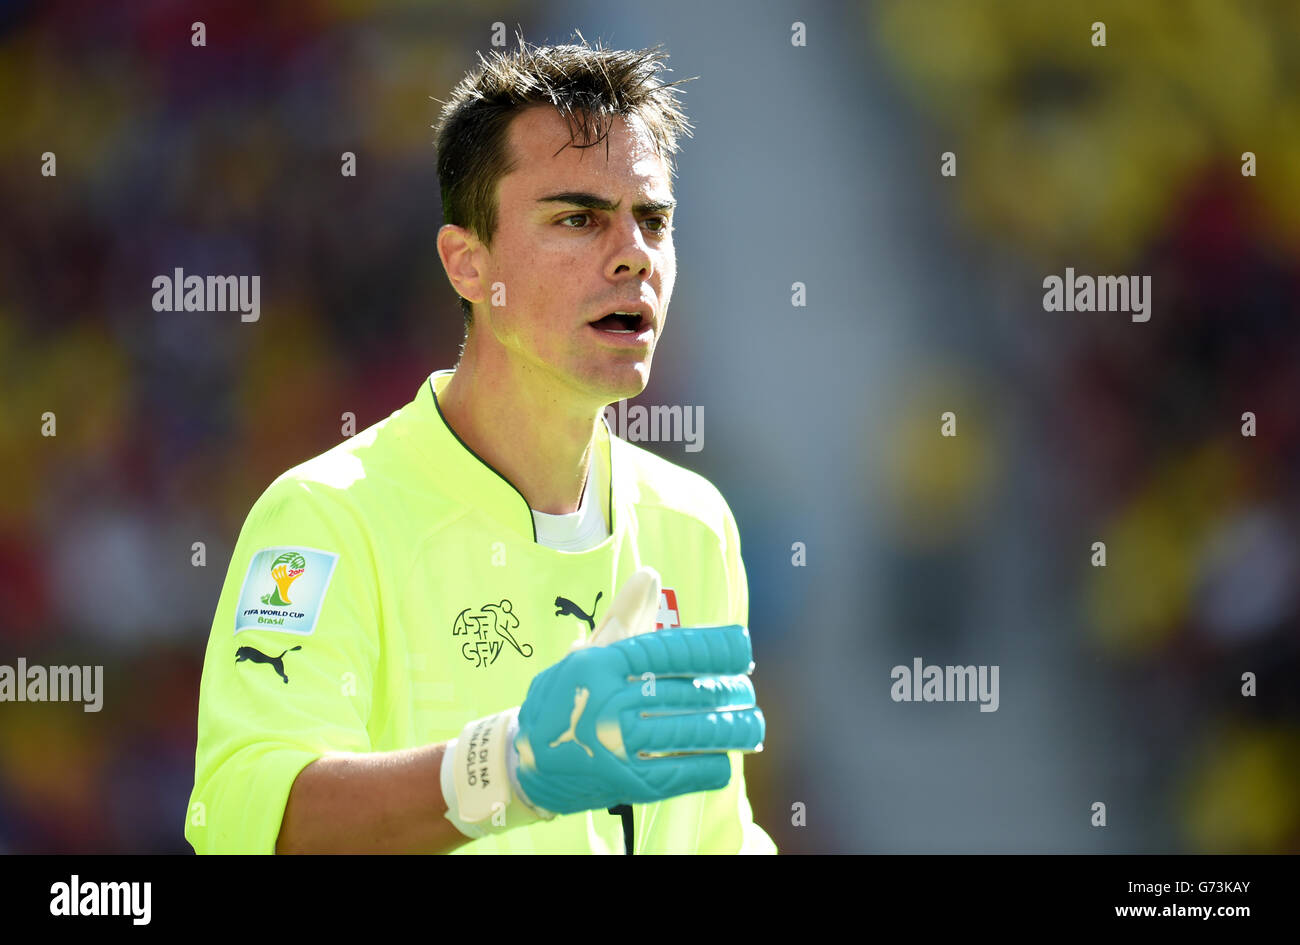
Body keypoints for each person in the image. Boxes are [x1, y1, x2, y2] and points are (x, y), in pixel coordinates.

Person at [185, 35, 775, 854]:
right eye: (579, 218)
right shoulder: (325, 517)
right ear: (467, 263)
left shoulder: (696, 521)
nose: (633, 255)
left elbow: (716, 837)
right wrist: (508, 769)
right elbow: (245, 817)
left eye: (653, 220)